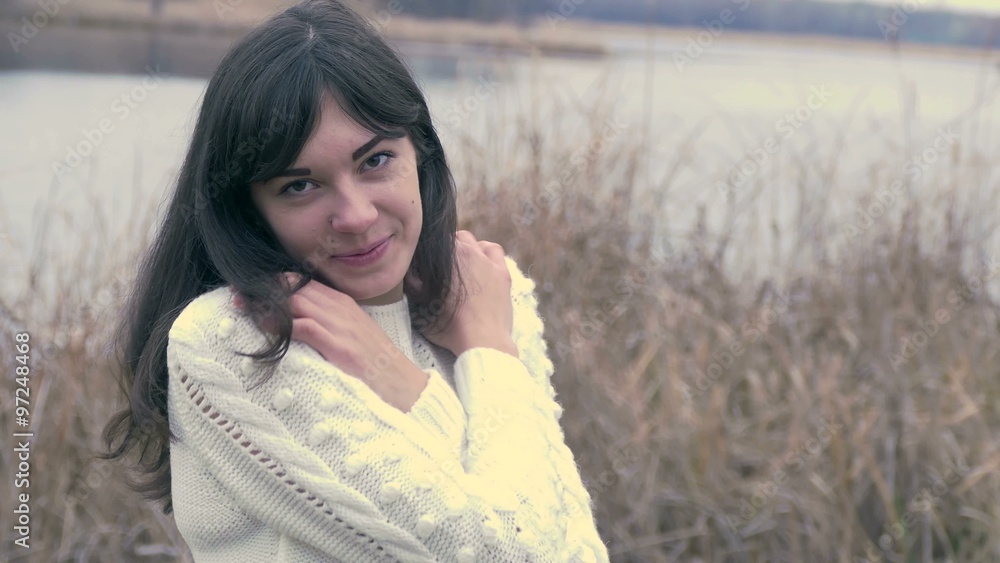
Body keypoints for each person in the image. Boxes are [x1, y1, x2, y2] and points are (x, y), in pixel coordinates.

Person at [101, 0, 609, 561]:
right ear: (247, 210)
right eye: (299, 186)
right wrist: (474, 356)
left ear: (422, 153)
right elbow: (510, 552)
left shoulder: (486, 290)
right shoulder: (239, 340)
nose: (357, 215)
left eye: (375, 161)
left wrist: (413, 375)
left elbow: (576, 545)